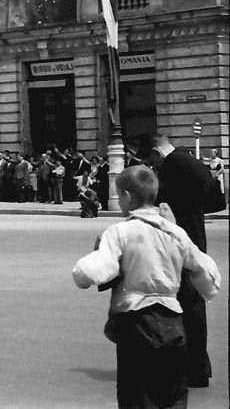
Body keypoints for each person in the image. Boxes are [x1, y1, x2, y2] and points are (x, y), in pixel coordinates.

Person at [72, 166, 221, 408]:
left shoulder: (120, 232)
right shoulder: (176, 232)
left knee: (136, 394)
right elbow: (205, 272)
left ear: (128, 197)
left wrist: (82, 274)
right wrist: (206, 287)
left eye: (119, 194)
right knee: (172, 393)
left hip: (136, 322)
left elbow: (96, 269)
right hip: (173, 322)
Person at [148, 134, 219, 387]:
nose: (154, 167)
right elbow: (216, 201)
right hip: (196, 238)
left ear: (157, 153)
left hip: (180, 244)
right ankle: (198, 367)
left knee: (183, 308)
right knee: (194, 306)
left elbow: (159, 202)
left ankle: (192, 368)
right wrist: (192, 209)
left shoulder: (171, 165)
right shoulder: (193, 161)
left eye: (153, 162)